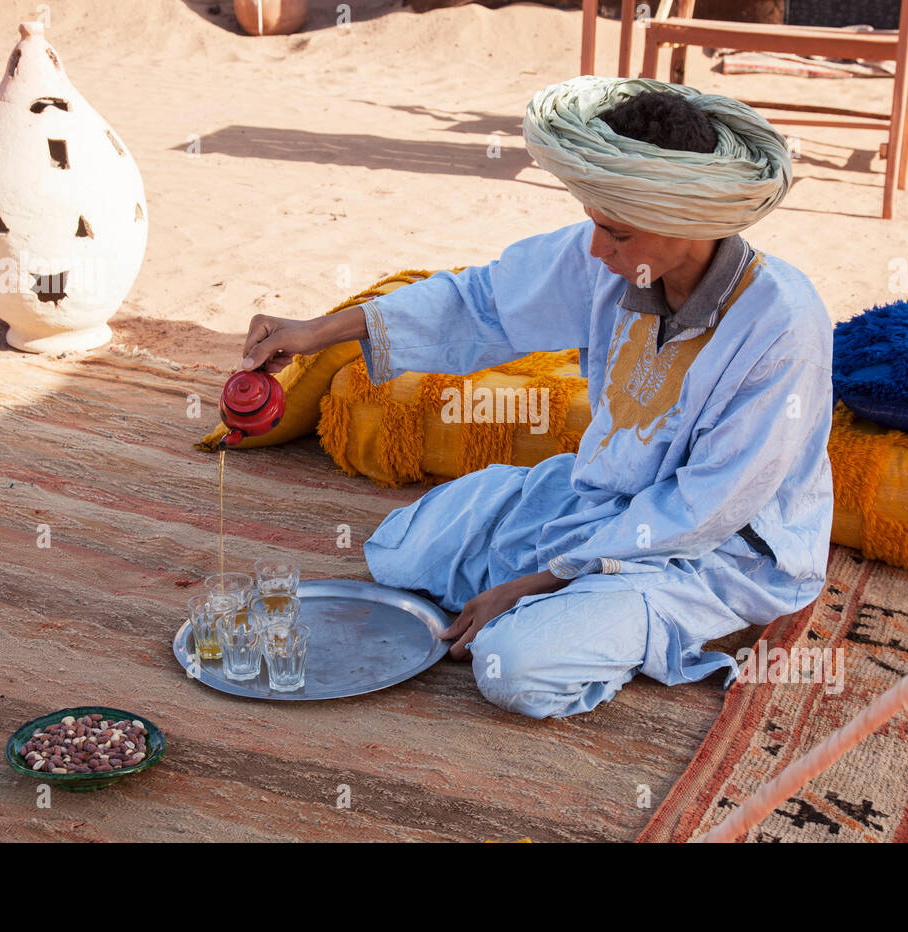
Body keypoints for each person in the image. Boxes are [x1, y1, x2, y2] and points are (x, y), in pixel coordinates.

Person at [240, 76, 833, 719]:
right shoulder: (613, 257)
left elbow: (707, 506)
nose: (597, 248)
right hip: (598, 501)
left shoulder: (782, 323)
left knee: (511, 666)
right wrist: (317, 332)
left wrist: (542, 580)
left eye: (617, 234)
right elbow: (481, 302)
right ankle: (564, 598)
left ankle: (627, 621)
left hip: (714, 550)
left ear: (683, 221)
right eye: (595, 225)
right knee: (399, 551)